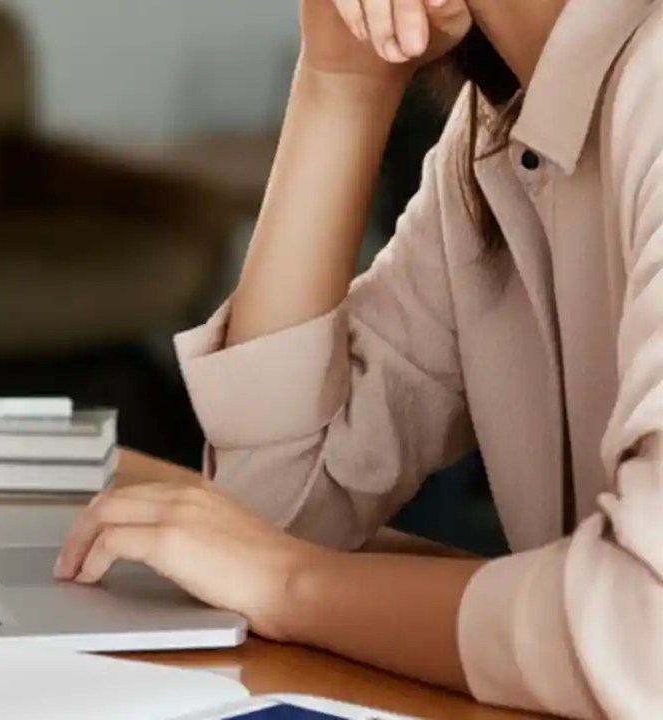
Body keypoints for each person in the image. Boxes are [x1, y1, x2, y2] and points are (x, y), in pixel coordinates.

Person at [53, 0, 663, 717]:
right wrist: (341, 84)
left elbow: (644, 635)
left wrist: (292, 586)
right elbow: (268, 511)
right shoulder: (493, 139)